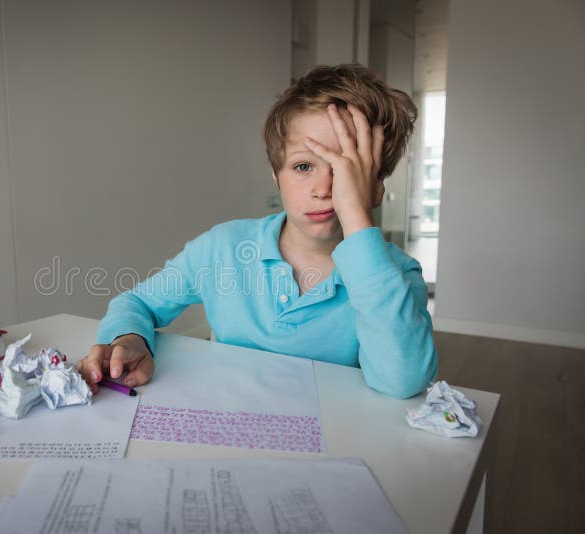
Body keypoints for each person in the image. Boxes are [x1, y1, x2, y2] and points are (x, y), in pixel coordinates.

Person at [77, 64, 437, 399]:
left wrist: (357, 217)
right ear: (275, 173)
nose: (324, 188)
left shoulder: (396, 276)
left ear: (378, 185)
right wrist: (130, 338)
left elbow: (401, 381)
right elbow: (137, 303)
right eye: (303, 166)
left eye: (347, 170)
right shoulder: (223, 249)